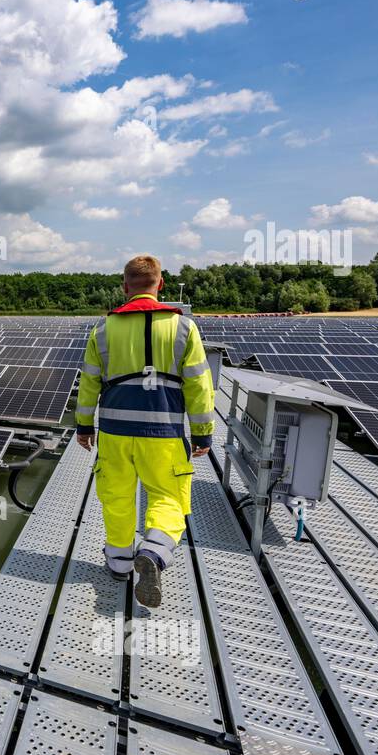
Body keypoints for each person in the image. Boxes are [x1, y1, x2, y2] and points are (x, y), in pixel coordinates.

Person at [73, 255, 215, 608]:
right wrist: (202, 434)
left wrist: (83, 426)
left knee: (117, 498)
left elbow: (89, 382)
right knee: (167, 497)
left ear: (125, 287)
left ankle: (119, 564)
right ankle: (152, 552)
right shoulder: (184, 328)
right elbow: (199, 385)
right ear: (160, 284)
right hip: (163, 431)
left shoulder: (104, 329)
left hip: (116, 433)